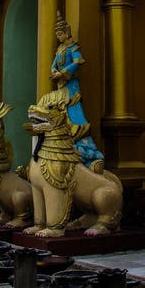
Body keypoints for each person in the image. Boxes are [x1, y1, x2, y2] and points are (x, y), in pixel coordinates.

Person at [51, 12, 104, 172]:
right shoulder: (60, 48)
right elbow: (54, 63)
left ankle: (82, 143)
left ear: (67, 33)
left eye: (61, 34)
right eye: (57, 34)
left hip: (71, 86)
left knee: (74, 113)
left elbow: (78, 61)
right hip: (61, 86)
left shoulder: (73, 47)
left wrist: (64, 72)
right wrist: (54, 70)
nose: (59, 37)